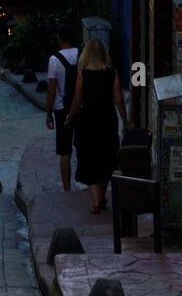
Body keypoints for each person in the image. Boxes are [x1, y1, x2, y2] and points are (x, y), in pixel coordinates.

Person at [65, 38, 127, 214]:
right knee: (106, 157)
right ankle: (101, 197)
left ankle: (96, 201)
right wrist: (126, 120)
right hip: (107, 119)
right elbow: (119, 100)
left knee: (89, 157)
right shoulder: (112, 73)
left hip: (87, 120)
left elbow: (77, 100)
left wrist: (70, 117)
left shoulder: (82, 74)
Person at [45, 23, 79, 191]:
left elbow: (51, 89)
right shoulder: (81, 55)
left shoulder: (54, 60)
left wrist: (48, 113)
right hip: (80, 106)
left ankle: (67, 188)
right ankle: (86, 182)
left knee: (64, 152)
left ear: (59, 38)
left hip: (62, 108)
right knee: (82, 145)